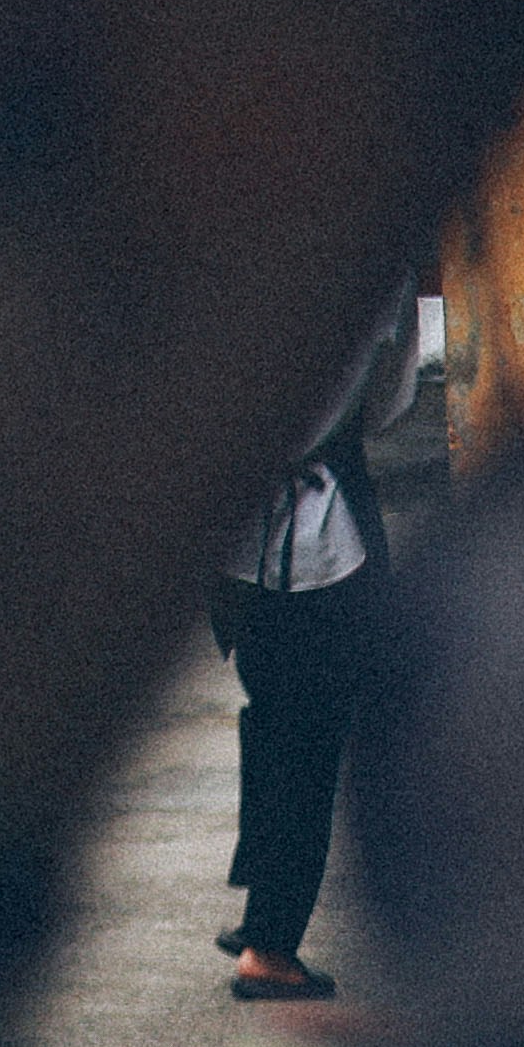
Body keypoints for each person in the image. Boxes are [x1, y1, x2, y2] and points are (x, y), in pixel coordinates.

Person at [211, 290, 433, 1003]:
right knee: (308, 742)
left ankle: (261, 920)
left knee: (273, 725)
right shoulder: (368, 272)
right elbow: (378, 406)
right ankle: (271, 946)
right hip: (314, 545)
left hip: (245, 544)